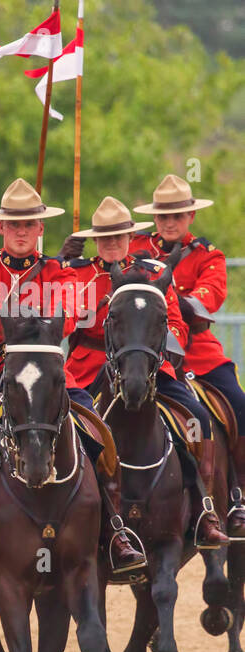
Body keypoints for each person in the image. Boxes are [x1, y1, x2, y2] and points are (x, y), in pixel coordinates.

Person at [0, 178, 144, 576]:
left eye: (29, 224)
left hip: (47, 376)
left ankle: (114, 527)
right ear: (1, 228)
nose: (21, 231)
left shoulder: (55, 271)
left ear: (40, 229)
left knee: (98, 433)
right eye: (13, 224)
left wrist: (37, 313)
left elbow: (69, 320)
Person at [62, 195, 229, 547]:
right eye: (104, 237)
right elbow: (63, 322)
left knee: (197, 417)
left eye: (118, 237)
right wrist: (61, 264)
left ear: (130, 237)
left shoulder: (152, 273)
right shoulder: (76, 274)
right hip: (88, 370)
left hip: (149, 368)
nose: (111, 244)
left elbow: (177, 325)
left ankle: (204, 506)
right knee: (61, 429)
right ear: (95, 240)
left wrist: (153, 354)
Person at [128, 174, 245, 537]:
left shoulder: (209, 256)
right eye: (163, 216)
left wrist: (164, 289)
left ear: (190, 216)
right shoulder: (135, 249)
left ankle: (239, 497)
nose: (170, 222)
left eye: (177, 215)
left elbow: (203, 306)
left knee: (241, 407)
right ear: (155, 218)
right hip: (142, 356)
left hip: (198, 356)